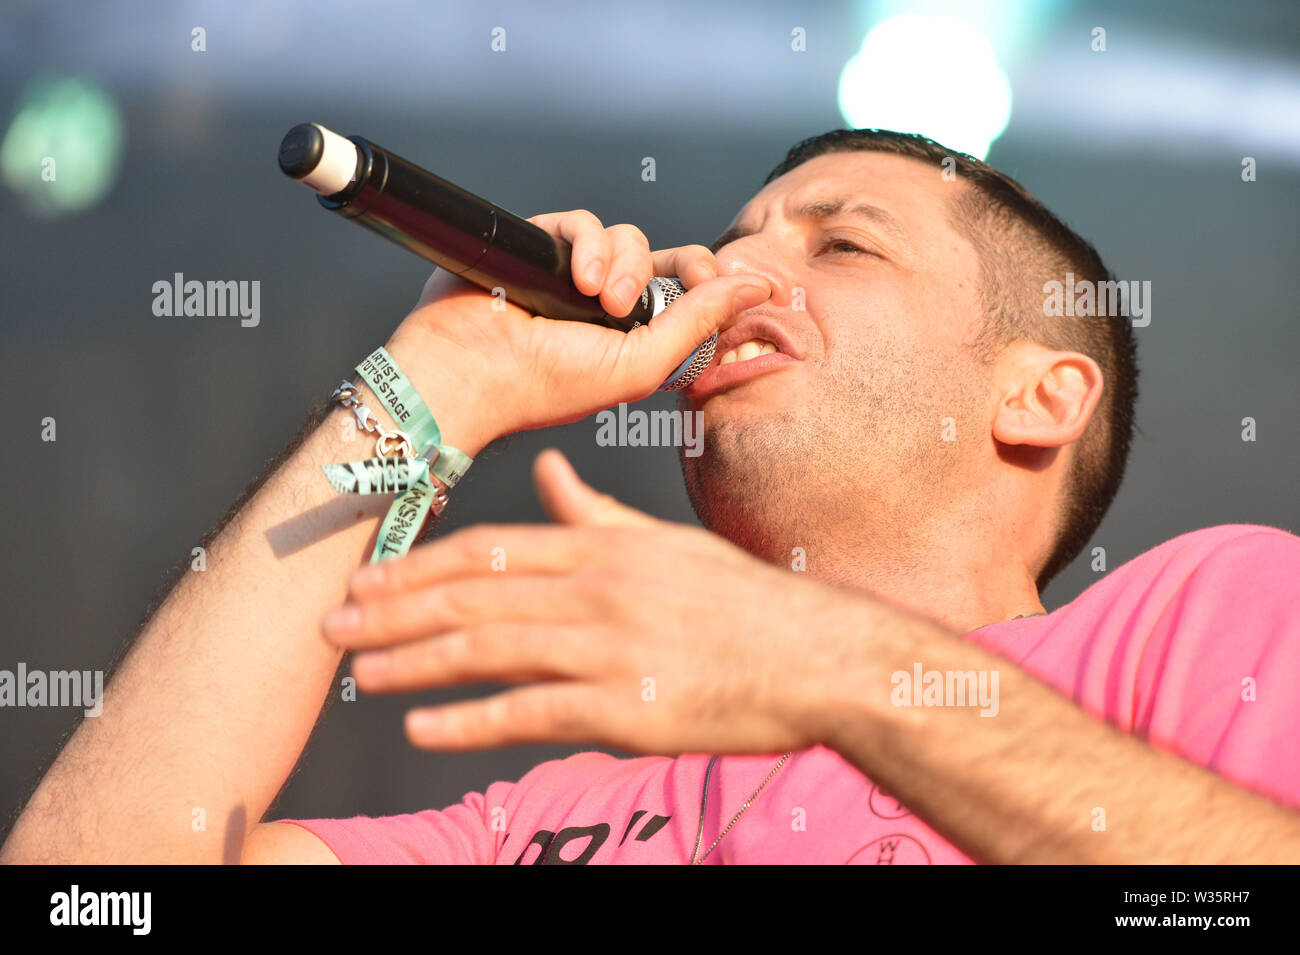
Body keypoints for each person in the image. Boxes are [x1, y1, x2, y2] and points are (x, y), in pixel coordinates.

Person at [4, 130, 1297, 865]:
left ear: (1038, 399)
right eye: (736, 246)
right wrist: (436, 388)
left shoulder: (1203, 614)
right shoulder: (555, 821)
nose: (733, 276)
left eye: (840, 245)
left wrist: (838, 669)